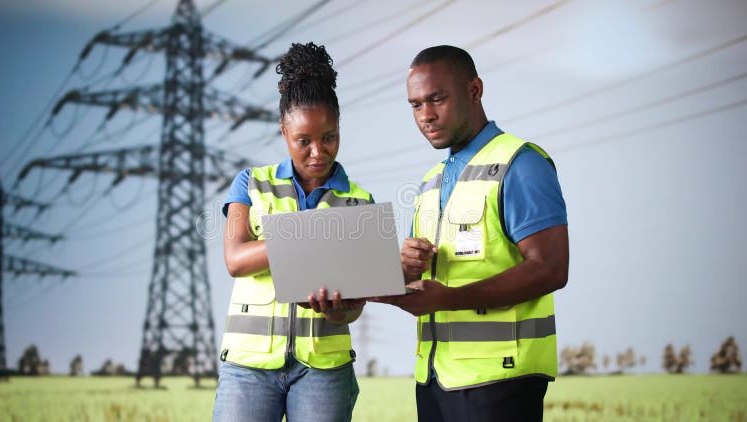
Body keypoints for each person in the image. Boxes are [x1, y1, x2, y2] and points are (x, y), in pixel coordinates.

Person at [374, 45, 569, 421]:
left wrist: (449, 299)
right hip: (434, 380)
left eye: (437, 99)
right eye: (415, 105)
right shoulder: (430, 182)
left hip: (500, 381)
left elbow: (551, 268)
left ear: (475, 90)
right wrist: (383, 279)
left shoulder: (522, 163)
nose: (426, 116)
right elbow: (422, 280)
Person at [212, 42, 371, 422]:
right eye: (304, 141)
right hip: (249, 368)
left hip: (324, 368)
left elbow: (356, 307)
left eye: (329, 137)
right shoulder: (250, 183)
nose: (318, 151)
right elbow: (235, 259)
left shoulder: (359, 202)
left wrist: (339, 312)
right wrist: (310, 234)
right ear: (284, 131)